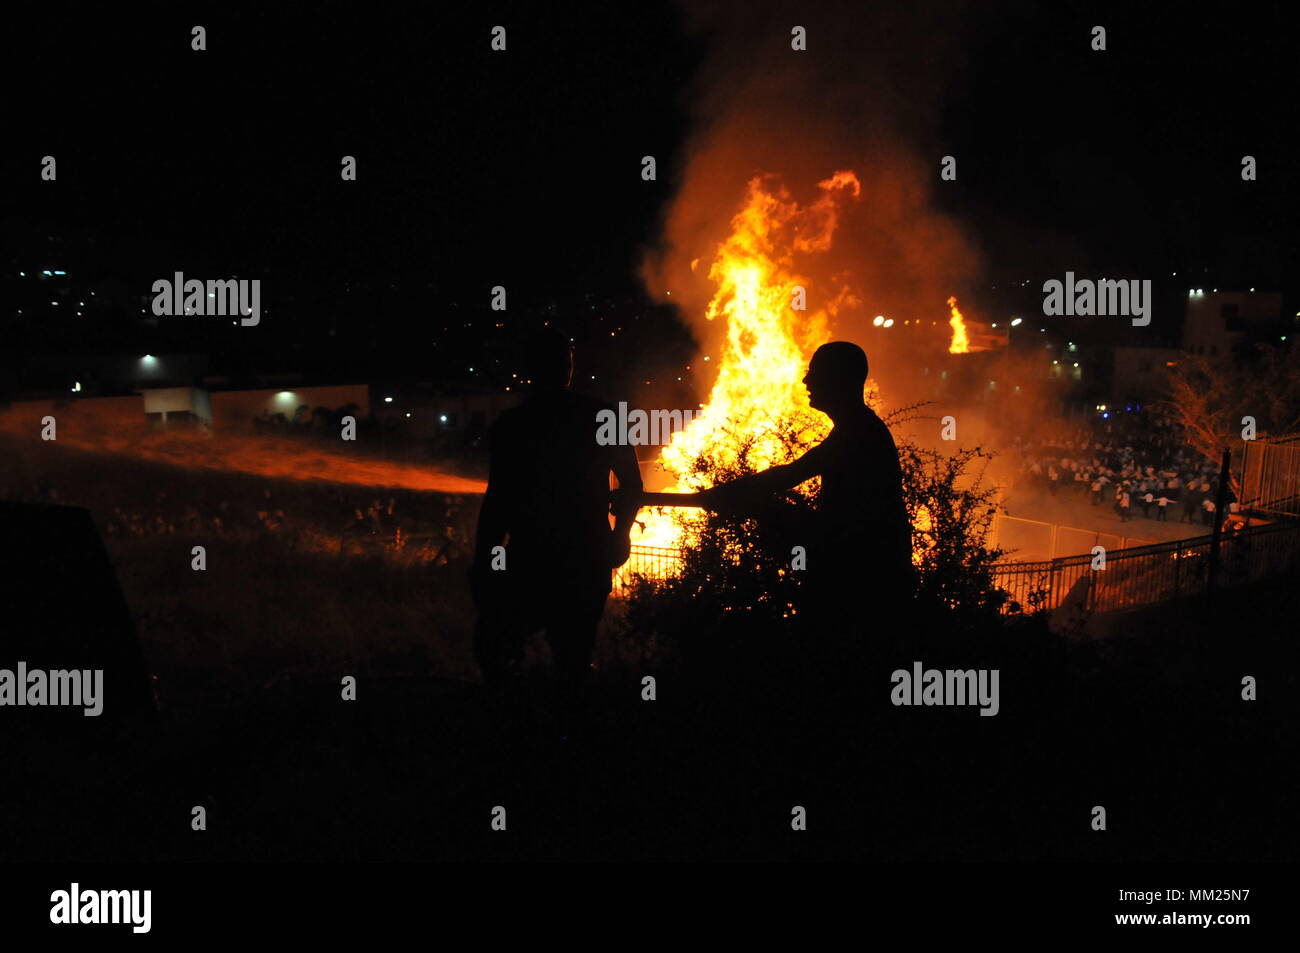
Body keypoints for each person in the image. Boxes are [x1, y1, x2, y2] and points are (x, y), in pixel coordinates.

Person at [670, 342, 915, 645]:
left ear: (840, 379)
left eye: (816, 373)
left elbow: (789, 475)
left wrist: (726, 495)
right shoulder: (858, 428)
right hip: (866, 577)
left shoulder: (858, 433)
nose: (806, 382)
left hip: (863, 584)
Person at [470, 330, 643, 734]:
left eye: (566, 360)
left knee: (497, 644)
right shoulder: (602, 416)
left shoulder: (514, 424)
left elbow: (498, 501)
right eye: (562, 361)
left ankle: (521, 725)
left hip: (532, 557)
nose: (566, 368)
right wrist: (619, 536)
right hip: (583, 555)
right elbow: (631, 486)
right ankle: (567, 731)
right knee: (572, 654)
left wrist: (485, 558)